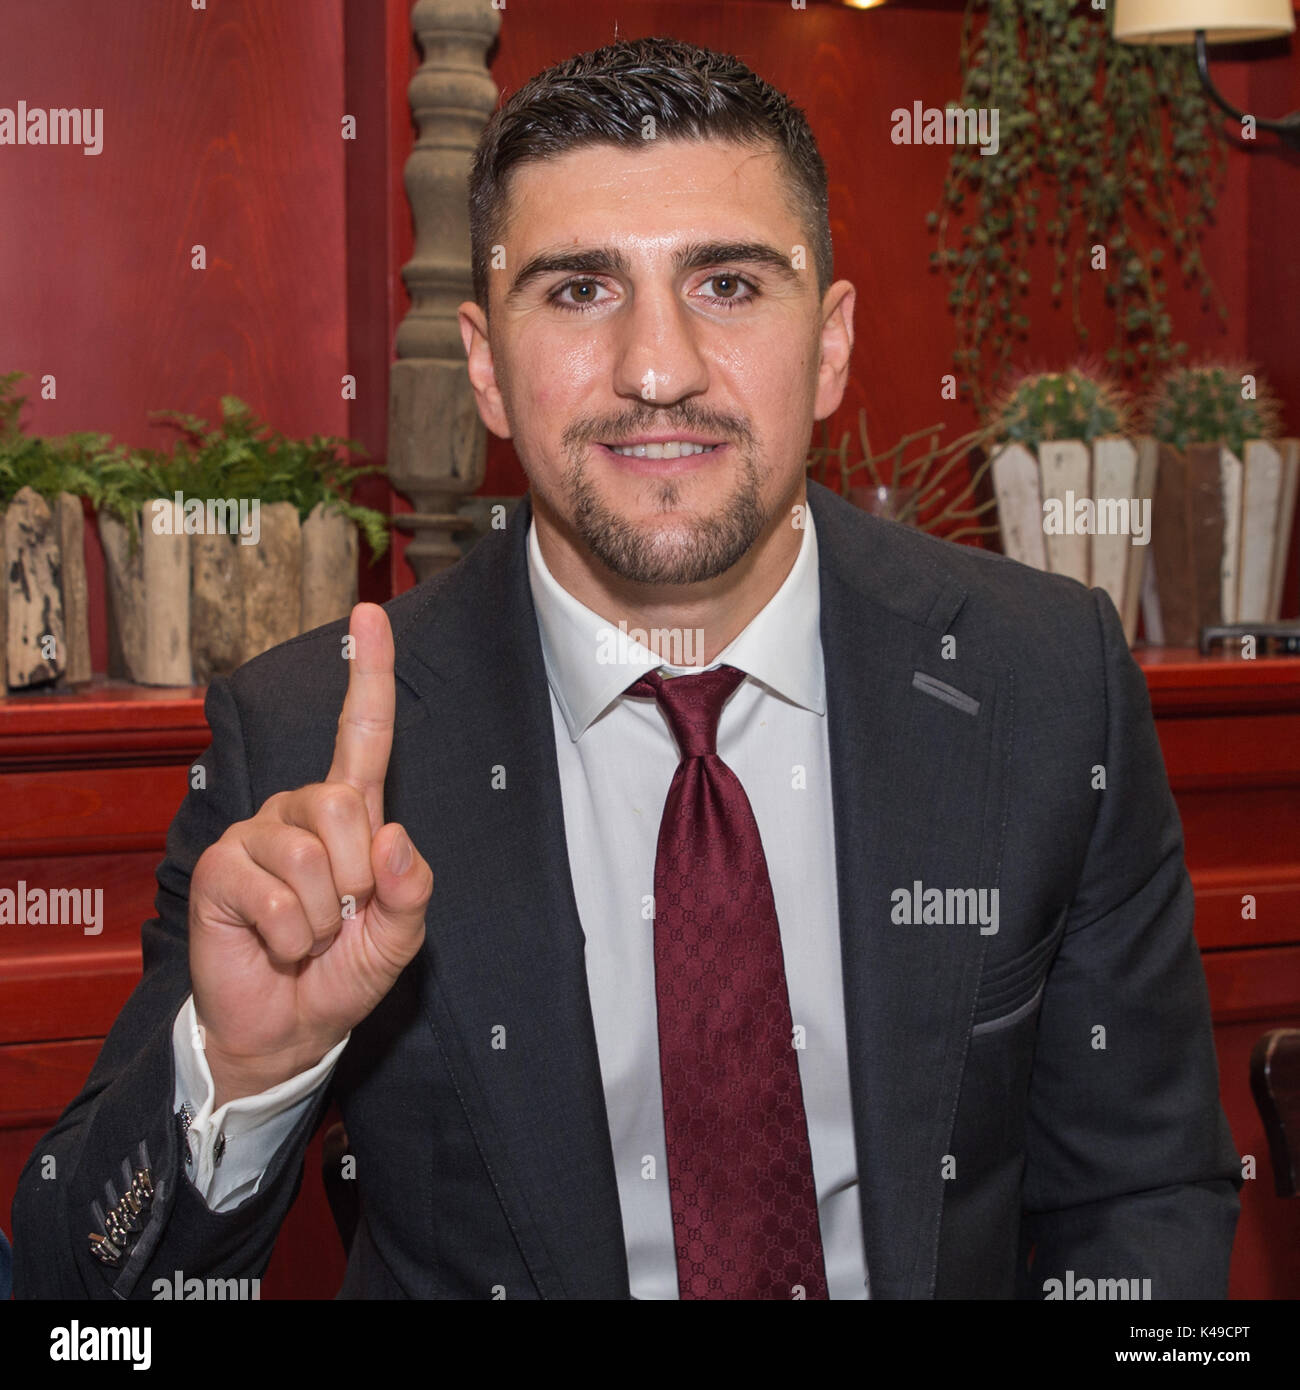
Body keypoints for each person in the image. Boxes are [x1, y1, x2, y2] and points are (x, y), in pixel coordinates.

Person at [12, 37, 1239, 1300]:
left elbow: (1140, 1194)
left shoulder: (1045, 681)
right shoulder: (304, 738)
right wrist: (241, 1073)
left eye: (726, 282)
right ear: (487, 367)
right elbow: (75, 1303)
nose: (659, 370)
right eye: (581, 291)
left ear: (829, 343)